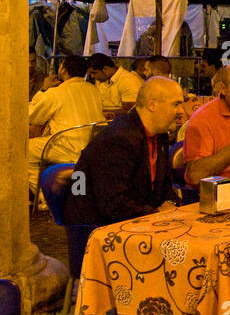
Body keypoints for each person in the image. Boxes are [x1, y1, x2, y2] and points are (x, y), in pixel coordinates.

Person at [65, 77, 183, 226]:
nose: (181, 111)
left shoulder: (159, 137)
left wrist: (170, 203)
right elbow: (114, 204)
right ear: (152, 104)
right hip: (98, 229)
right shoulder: (119, 139)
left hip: (139, 220)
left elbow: (164, 187)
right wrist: (158, 214)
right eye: (176, 104)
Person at [27, 55, 105, 195]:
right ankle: (71, 192)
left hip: (67, 146)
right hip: (93, 146)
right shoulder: (93, 90)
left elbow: (34, 117)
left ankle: (44, 197)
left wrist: (44, 89)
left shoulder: (56, 92)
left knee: (24, 151)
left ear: (63, 70)